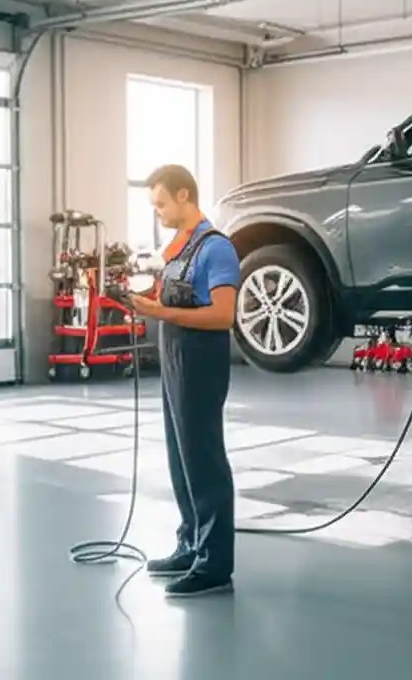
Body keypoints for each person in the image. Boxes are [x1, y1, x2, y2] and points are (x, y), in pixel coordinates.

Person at [127, 164, 241, 598]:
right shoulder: (179, 248)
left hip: (200, 364)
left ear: (183, 196)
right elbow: (169, 298)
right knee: (180, 458)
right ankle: (190, 542)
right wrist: (141, 301)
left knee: (204, 459)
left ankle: (215, 565)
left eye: (160, 204)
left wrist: (160, 313)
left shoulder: (216, 249)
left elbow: (222, 315)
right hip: (174, 363)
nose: (156, 213)